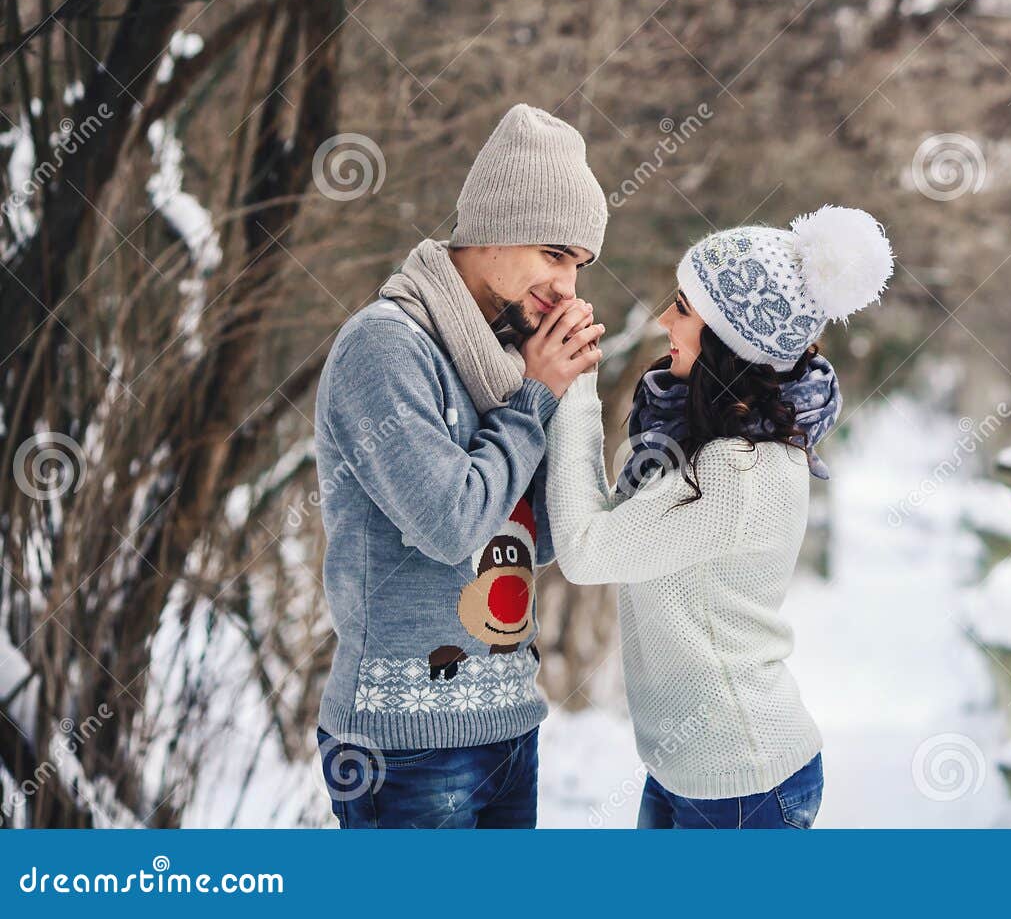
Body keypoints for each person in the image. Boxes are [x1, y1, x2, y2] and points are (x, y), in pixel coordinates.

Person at [543, 205, 894, 828]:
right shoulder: (717, 446)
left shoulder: (739, 473)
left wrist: (570, 389)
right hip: (701, 771)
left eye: (684, 307)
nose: (663, 320)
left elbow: (586, 547)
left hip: (741, 783)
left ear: (731, 341)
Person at [313, 104, 607, 828]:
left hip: (507, 722)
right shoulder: (385, 348)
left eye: (579, 264)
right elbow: (452, 524)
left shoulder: (503, 360)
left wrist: (574, 403)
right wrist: (537, 395)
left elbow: (534, 537)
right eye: (554, 253)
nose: (568, 284)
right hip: (407, 745)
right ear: (495, 227)